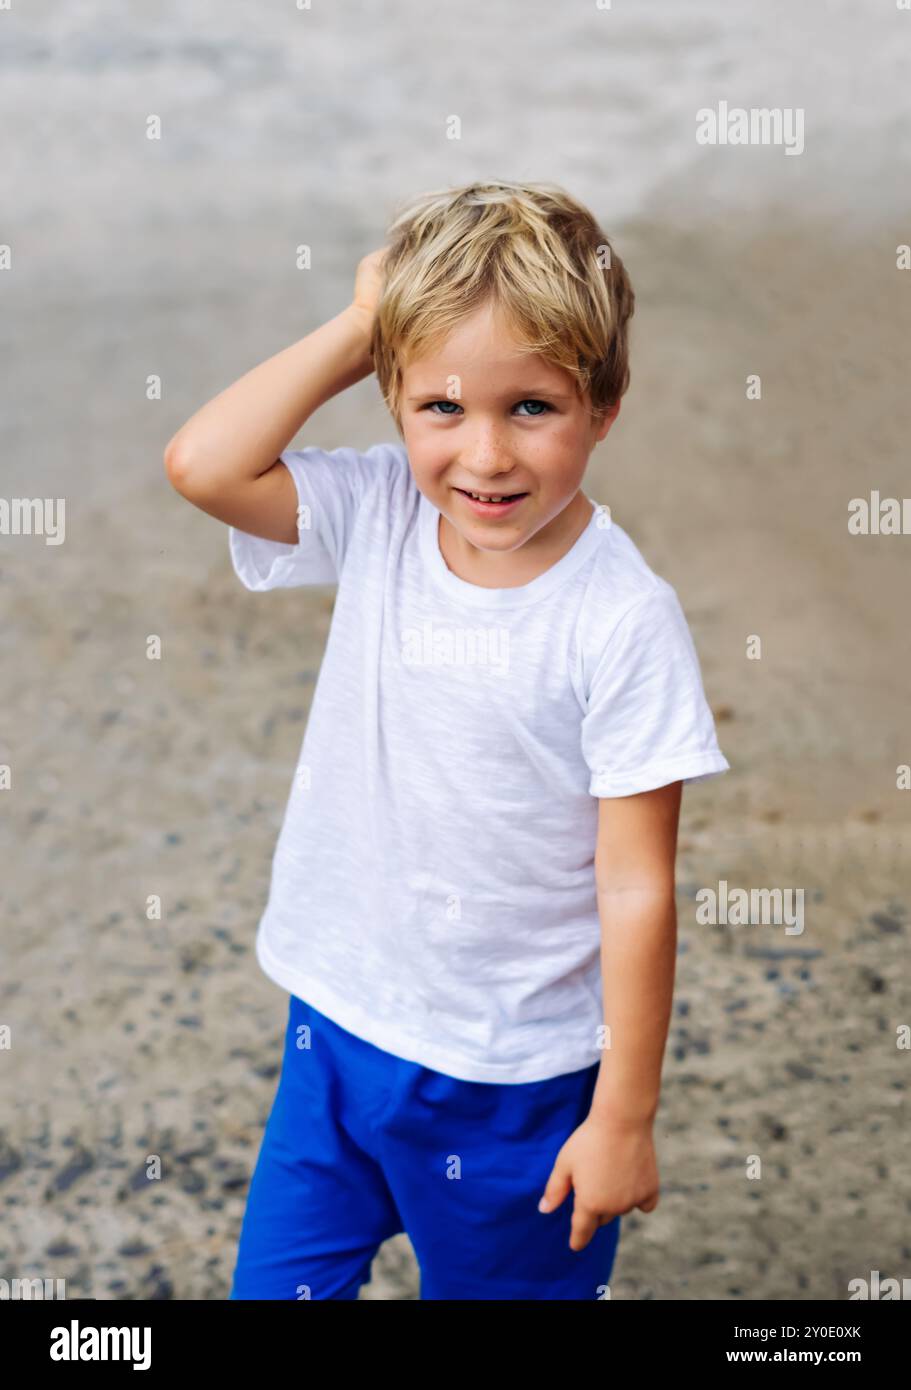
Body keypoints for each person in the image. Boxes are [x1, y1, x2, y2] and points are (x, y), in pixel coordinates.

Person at [164, 179, 731, 1300]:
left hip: (512, 1077)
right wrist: (358, 329)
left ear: (603, 404)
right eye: (440, 408)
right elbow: (204, 465)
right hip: (335, 1029)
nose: (484, 456)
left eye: (531, 407)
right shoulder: (379, 512)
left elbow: (635, 889)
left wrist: (623, 1115)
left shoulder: (619, 619)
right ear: (391, 399)